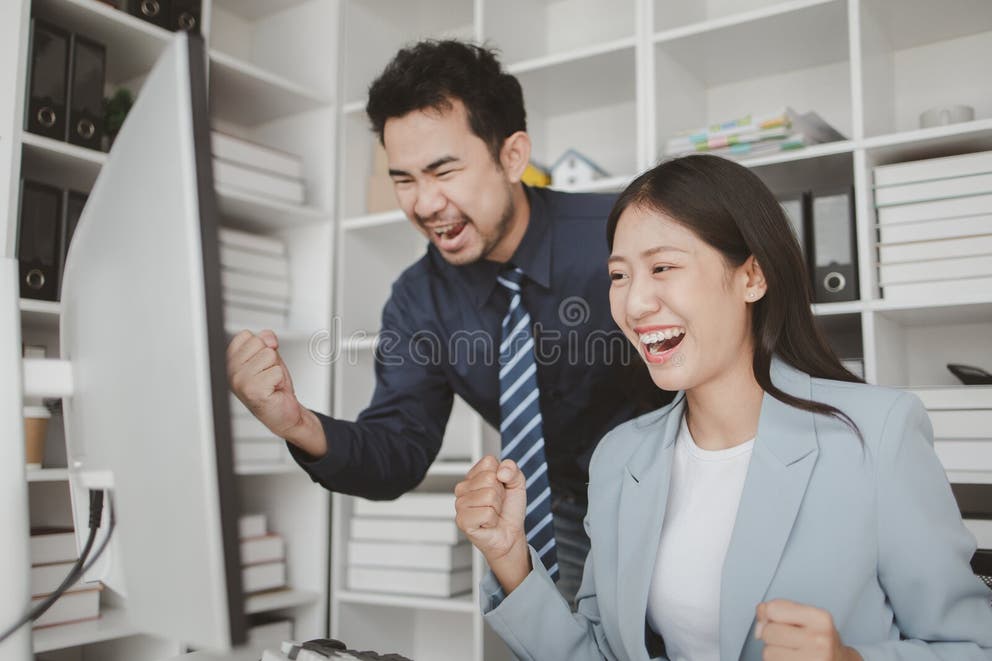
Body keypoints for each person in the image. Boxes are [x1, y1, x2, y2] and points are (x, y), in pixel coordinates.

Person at [454, 154, 992, 660]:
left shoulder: (877, 434)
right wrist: (510, 557)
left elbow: (974, 646)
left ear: (752, 276)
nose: (635, 302)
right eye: (619, 275)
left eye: (662, 267)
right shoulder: (621, 457)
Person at [226, 39, 669, 606]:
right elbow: (398, 452)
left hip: (678, 485)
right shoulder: (418, 303)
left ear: (512, 156)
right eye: (404, 179)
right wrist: (296, 423)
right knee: (555, 641)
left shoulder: (619, 235)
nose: (424, 203)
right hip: (560, 509)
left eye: (443, 170)